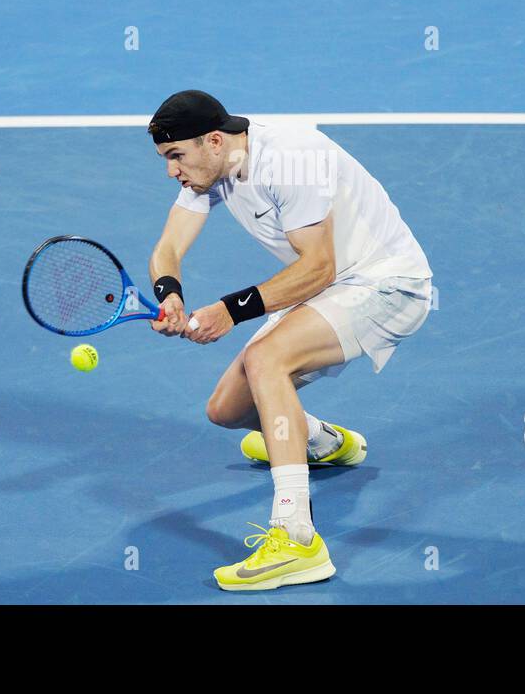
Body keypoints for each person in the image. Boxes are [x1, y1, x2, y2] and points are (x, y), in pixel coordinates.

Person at [146, 90, 432, 590]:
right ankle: (320, 442)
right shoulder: (212, 165)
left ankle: (297, 537)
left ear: (214, 140)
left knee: (266, 359)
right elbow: (169, 246)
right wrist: (169, 294)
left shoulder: (291, 159)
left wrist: (231, 311)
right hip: (336, 286)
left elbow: (319, 267)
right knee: (227, 411)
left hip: (387, 283)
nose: (172, 171)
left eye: (176, 156)